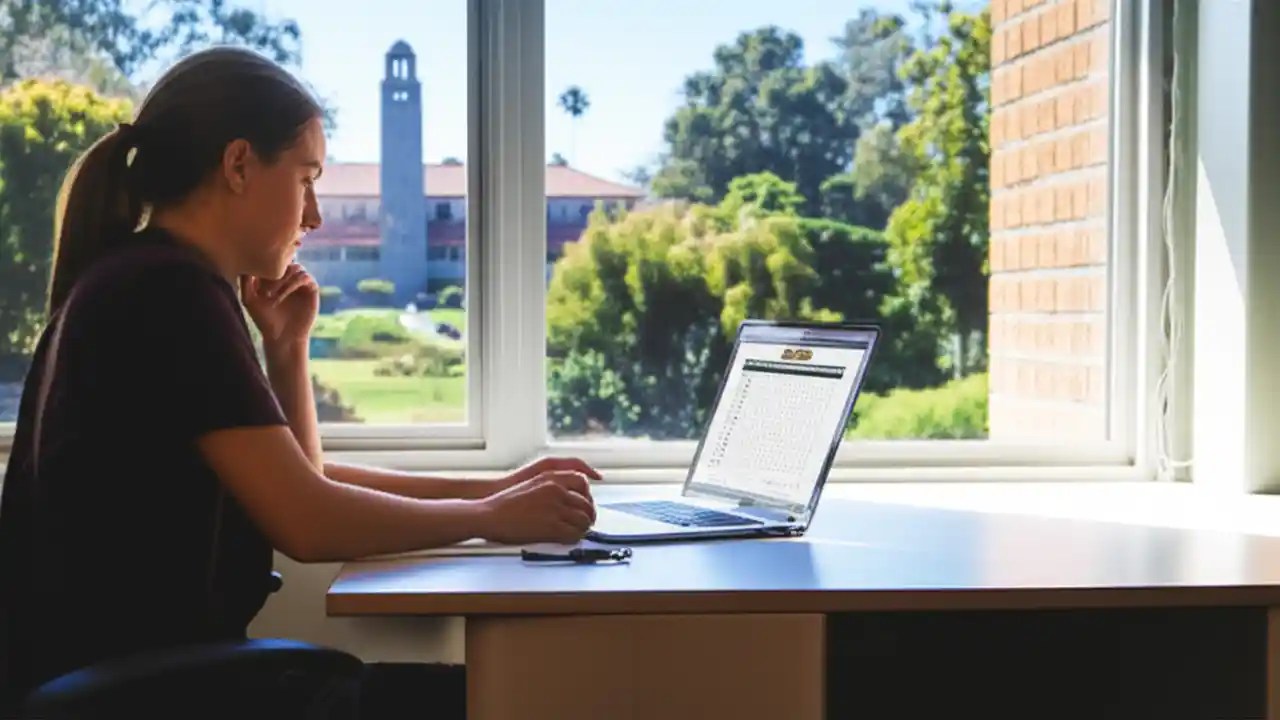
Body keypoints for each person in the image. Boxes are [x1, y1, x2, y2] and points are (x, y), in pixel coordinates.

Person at [0, 46, 598, 715]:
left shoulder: (145, 277)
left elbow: (300, 482)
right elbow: (309, 523)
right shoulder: (170, 294)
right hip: (150, 697)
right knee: (517, 697)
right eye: (306, 179)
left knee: (498, 690)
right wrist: (490, 518)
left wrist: (287, 351)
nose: (313, 215)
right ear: (238, 165)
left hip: (133, 686)